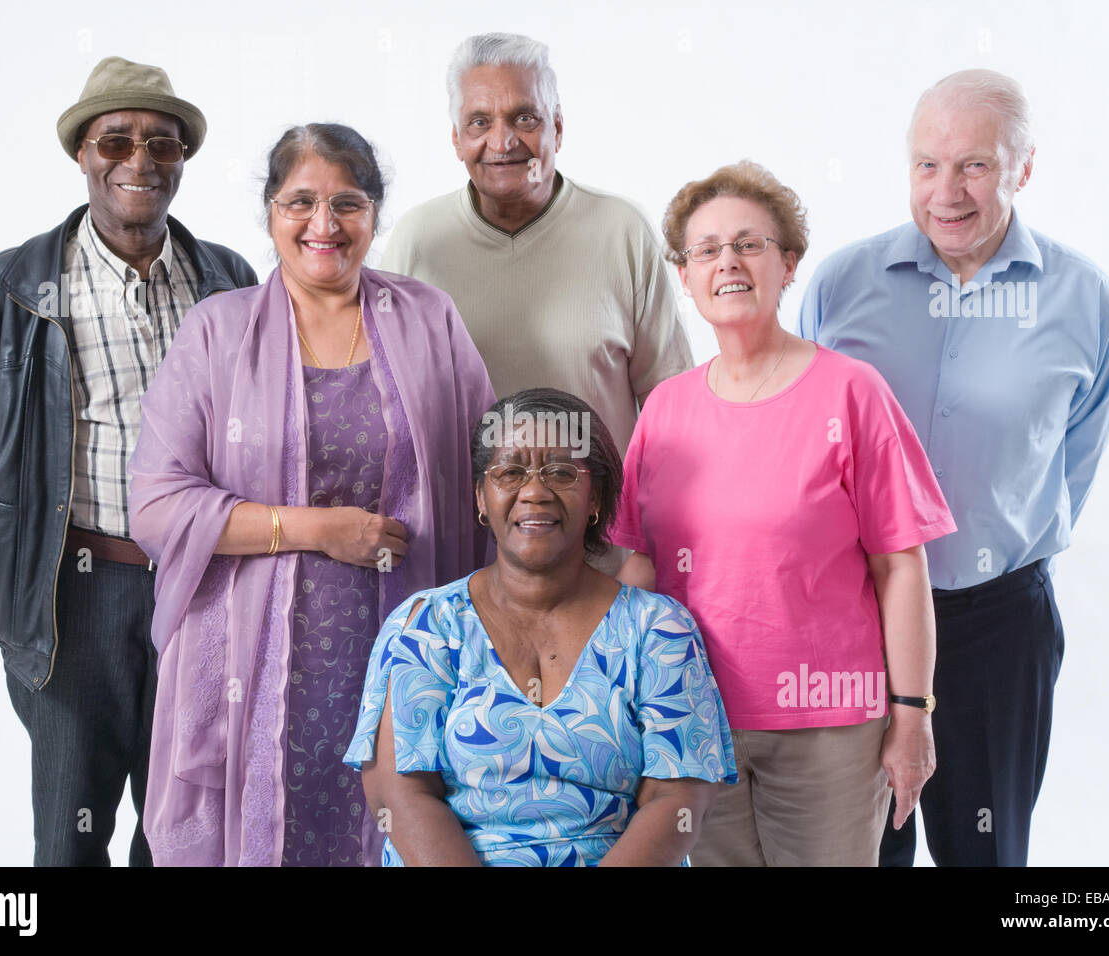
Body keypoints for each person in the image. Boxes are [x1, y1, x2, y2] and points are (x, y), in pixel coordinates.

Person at [128, 123, 494, 867]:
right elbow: (158, 506)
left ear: (374, 214)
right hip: (251, 659)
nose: (323, 225)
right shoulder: (217, 333)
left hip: (404, 644)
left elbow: (487, 473)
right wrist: (315, 529)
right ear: (269, 213)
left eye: (347, 203)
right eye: (301, 202)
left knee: (397, 828)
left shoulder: (428, 319)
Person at [799, 69, 1109, 867]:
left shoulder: (1085, 301)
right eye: (926, 165)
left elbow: (1070, 463)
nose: (947, 191)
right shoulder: (842, 286)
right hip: (857, 618)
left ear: (1024, 167)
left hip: (997, 625)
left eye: (975, 165)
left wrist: (994, 542)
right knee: (859, 851)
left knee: (987, 853)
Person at [0, 56, 258, 866]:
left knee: (186, 835)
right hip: (74, 600)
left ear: (183, 160)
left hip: (204, 588)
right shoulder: (8, 292)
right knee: (67, 840)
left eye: (162, 144)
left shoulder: (230, 282)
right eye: (115, 141)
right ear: (81, 156)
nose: (140, 162)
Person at [611, 161, 958, 866]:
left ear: (788, 263)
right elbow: (639, 570)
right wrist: (627, 703)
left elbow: (901, 565)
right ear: (684, 275)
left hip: (831, 728)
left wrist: (913, 714)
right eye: (706, 249)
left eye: (749, 244)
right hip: (694, 722)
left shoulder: (851, 393)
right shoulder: (667, 409)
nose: (727, 262)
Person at [344, 388, 736, 866]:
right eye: (510, 472)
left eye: (562, 472)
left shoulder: (658, 630)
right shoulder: (425, 625)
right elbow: (400, 794)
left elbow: (678, 800)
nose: (534, 491)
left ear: (596, 499)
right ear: (481, 498)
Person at [378, 33, 692, 571]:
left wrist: (647, 550)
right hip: (464, 564)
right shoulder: (416, 242)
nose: (502, 142)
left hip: (602, 567)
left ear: (559, 128)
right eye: (480, 122)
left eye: (525, 118)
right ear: (456, 138)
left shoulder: (621, 232)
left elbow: (673, 409)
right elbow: (388, 407)